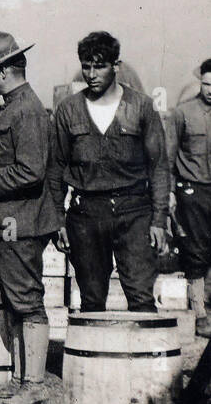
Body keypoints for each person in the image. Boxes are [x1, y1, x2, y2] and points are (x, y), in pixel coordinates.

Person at [0, 32, 63, 404]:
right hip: (12, 220)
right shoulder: (17, 107)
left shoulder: (25, 111)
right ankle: (21, 378)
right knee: (14, 299)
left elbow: (31, 172)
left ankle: (33, 385)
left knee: (27, 301)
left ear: (5, 71)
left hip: (22, 222)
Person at [46, 31, 168, 313]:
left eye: (99, 65)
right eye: (86, 65)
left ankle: (142, 357)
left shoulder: (140, 107)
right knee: (91, 300)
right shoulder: (68, 111)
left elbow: (158, 166)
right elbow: (55, 170)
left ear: (116, 65)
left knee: (141, 298)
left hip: (135, 212)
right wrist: (59, 221)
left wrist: (159, 220)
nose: (91, 73)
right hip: (86, 215)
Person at [166, 58, 211, 337]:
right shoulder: (182, 113)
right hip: (192, 192)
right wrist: (170, 192)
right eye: (207, 84)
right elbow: (168, 156)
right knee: (196, 251)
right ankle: (200, 314)